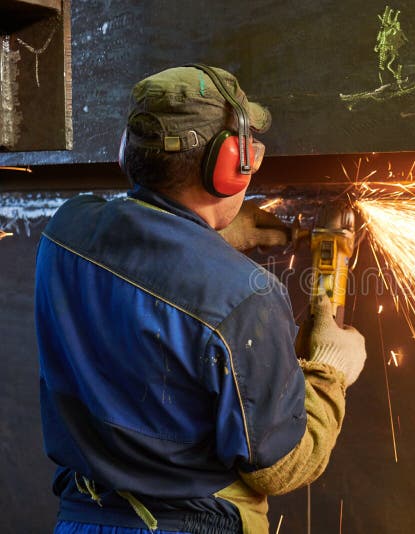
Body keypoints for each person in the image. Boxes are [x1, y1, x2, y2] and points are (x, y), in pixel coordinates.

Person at [35, 65, 367, 534]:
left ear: (129, 151)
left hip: (82, 520)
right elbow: (280, 464)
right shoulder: (245, 298)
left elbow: (134, 251)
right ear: (235, 163)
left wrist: (211, 234)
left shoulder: (64, 233)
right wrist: (331, 373)